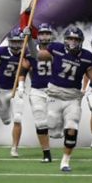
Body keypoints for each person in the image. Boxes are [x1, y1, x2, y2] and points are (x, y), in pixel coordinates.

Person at [37, 26, 92, 173]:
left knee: (72, 128)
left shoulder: (86, 56)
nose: (73, 42)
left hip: (73, 97)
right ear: (65, 39)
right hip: (55, 94)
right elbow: (40, 55)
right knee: (54, 131)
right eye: (70, 38)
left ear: (81, 41)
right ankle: (58, 130)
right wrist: (29, 39)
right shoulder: (56, 48)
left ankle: (65, 161)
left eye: (76, 39)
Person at [0, 27, 28, 158]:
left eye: (19, 42)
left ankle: (14, 147)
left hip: (15, 90)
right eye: (14, 42)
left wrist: (21, 85)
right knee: (6, 120)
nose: (16, 45)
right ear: (9, 42)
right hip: (2, 91)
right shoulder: (1, 52)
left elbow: (24, 71)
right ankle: (1, 107)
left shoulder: (25, 54)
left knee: (17, 118)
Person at [20, 24, 57, 163]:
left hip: (54, 91)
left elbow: (39, 56)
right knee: (40, 123)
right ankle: (46, 154)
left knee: (54, 124)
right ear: (38, 35)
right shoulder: (29, 52)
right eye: (42, 34)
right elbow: (23, 70)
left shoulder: (56, 50)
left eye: (47, 33)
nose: (45, 36)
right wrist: (21, 85)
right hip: (37, 90)